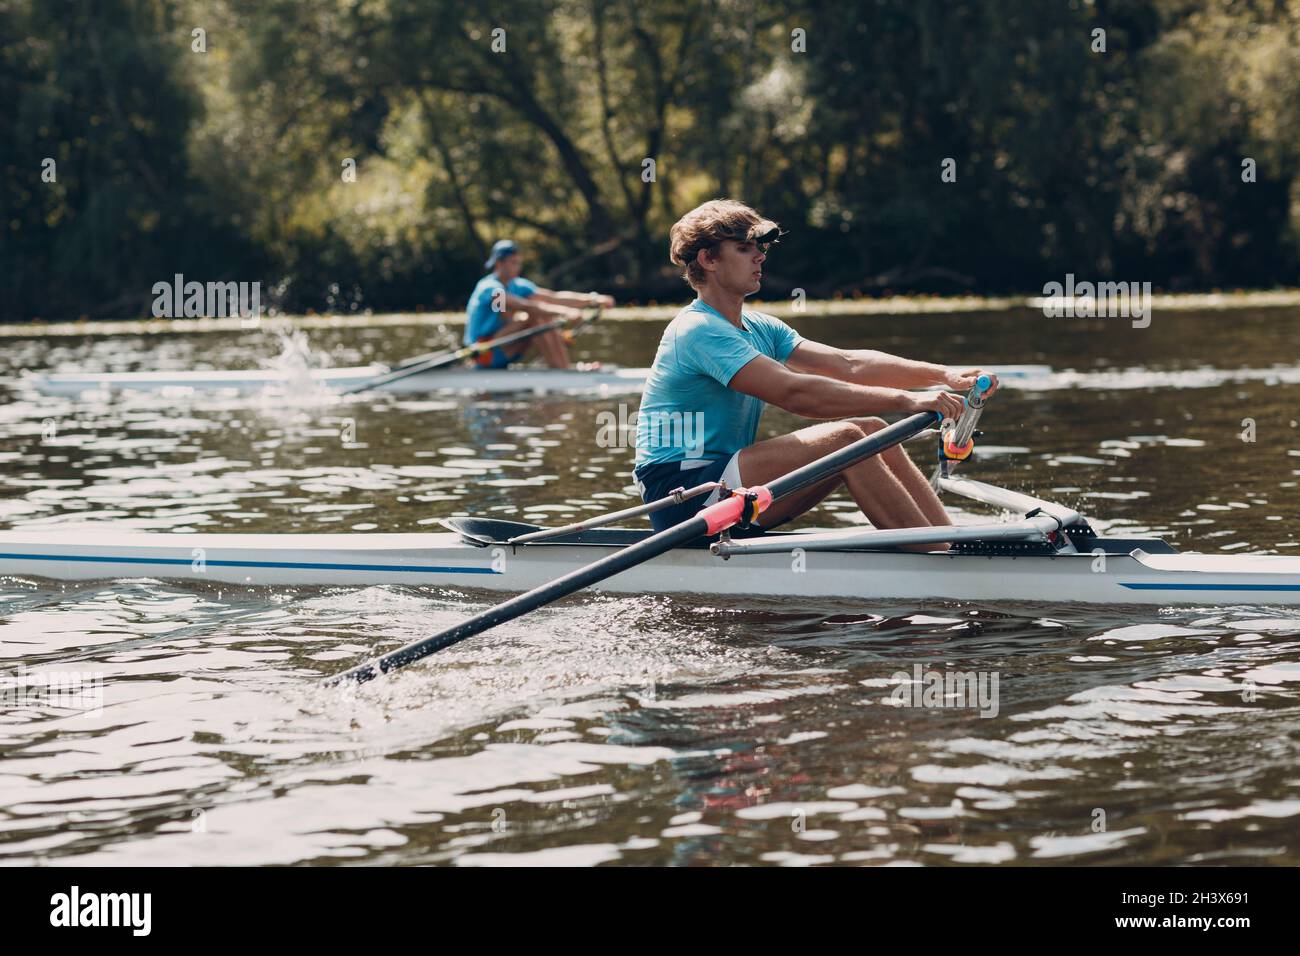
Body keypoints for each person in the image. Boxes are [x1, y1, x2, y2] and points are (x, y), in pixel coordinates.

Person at [633, 198, 999, 540]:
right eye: (745, 249)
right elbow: (795, 393)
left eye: (760, 248)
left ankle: (945, 541)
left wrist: (944, 376)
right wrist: (909, 400)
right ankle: (940, 562)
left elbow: (848, 364)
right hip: (681, 496)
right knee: (846, 440)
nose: (760, 257)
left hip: (725, 483)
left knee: (873, 429)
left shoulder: (759, 326)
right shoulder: (698, 330)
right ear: (709, 260)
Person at [464, 239, 616, 369]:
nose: (518, 267)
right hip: (483, 353)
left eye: (519, 263)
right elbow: (525, 306)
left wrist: (593, 300)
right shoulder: (490, 289)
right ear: (499, 264)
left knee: (542, 316)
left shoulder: (518, 285)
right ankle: (561, 371)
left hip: (504, 347)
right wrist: (565, 312)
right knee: (533, 316)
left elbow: (554, 297)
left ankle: (563, 368)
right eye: (513, 263)